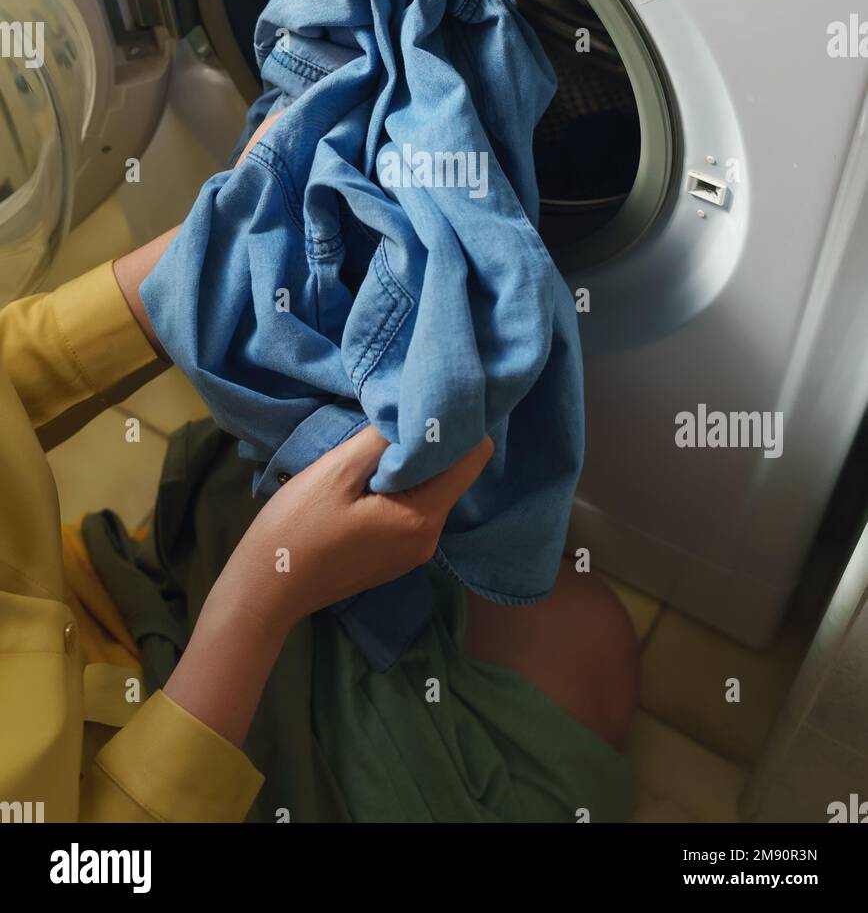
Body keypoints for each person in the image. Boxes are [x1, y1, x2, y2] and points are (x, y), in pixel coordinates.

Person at [0, 112, 639, 823]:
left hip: (99, 600)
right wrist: (260, 598)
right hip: (163, 771)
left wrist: (209, 245)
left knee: (580, 643)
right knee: (590, 658)